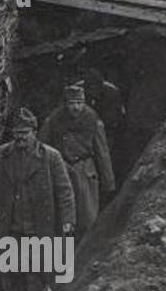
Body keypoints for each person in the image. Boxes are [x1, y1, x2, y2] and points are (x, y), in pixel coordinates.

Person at [0, 107, 76, 291]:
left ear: (35, 132)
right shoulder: (2, 154)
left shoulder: (51, 157)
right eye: (17, 133)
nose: (20, 138)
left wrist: (68, 219)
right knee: (13, 266)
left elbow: (64, 191)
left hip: (39, 221)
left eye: (25, 133)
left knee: (44, 265)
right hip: (11, 221)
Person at [39, 84, 115, 235]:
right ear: (65, 103)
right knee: (64, 217)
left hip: (85, 171)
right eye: (72, 103)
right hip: (62, 170)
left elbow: (103, 154)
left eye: (79, 103)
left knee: (88, 218)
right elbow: (42, 149)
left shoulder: (93, 121)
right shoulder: (54, 120)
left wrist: (108, 182)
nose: (76, 107)